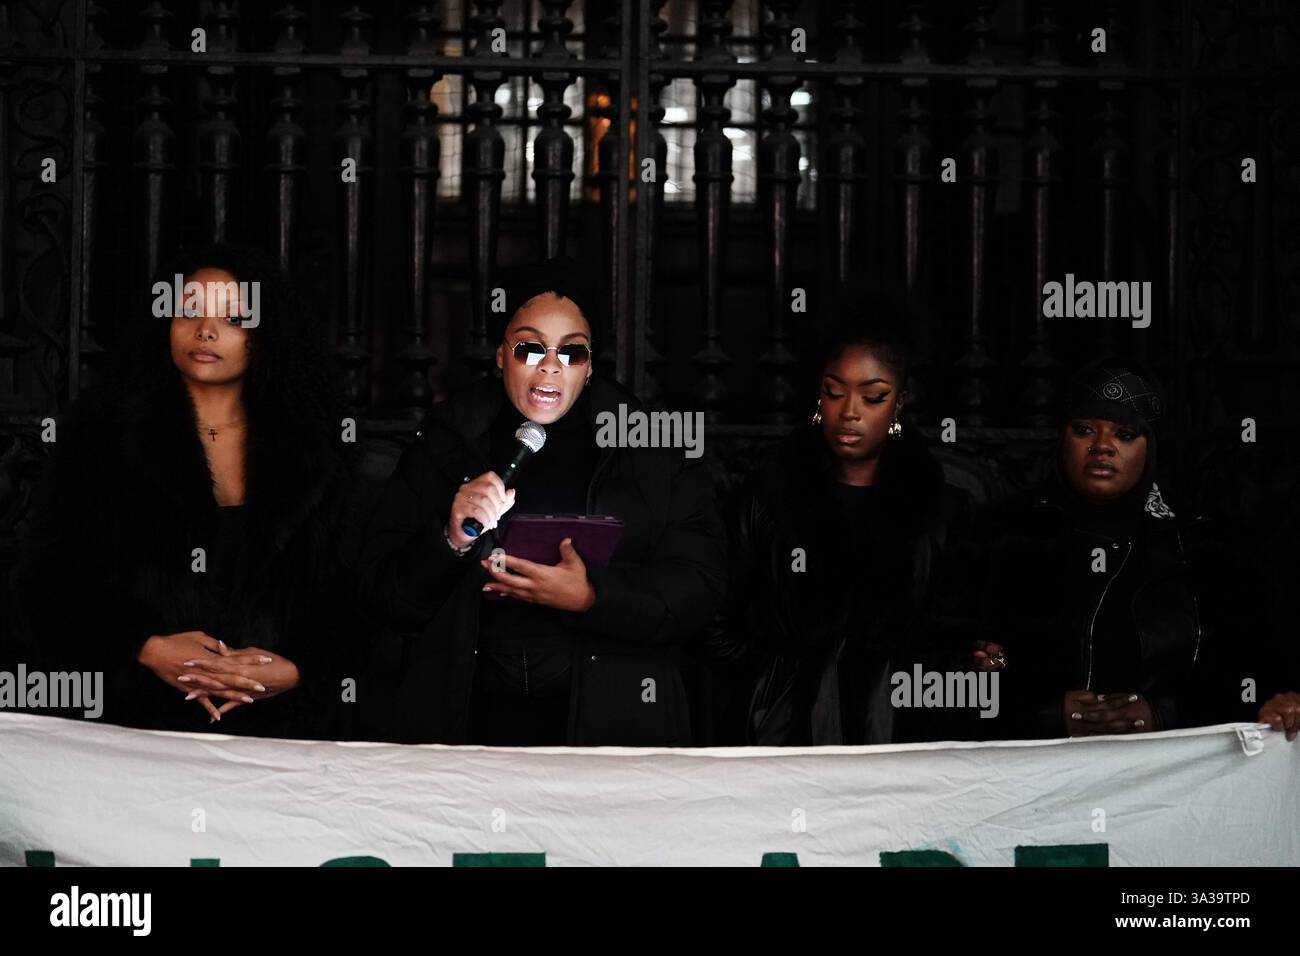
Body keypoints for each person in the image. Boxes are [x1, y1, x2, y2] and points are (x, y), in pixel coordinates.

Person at [355, 256, 726, 746]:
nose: (550, 365)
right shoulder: (447, 442)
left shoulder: (651, 448)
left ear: (590, 366)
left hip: (609, 732)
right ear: (500, 355)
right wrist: (449, 540)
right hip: (469, 730)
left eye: (571, 353)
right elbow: (382, 597)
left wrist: (592, 597)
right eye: (530, 347)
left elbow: (700, 587)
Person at [7, 243, 359, 738]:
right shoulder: (103, 435)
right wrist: (146, 648)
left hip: (277, 732)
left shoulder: (315, 445)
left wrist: (298, 669)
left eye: (234, 319)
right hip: (133, 723)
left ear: (266, 335)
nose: (206, 330)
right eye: (188, 311)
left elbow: (347, 599)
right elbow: (44, 586)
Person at [929, 358, 1284, 739]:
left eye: (1125, 435)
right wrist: (1042, 712)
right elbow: (939, 675)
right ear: (1062, 437)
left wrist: (1165, 713)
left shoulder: (1202, 544)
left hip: (1168, 774)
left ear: (1151, 447)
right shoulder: (996, 534)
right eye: (1084, 430)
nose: (1102, 447)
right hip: (1031, 775)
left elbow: (1254, 675)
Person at [706, 310, 966, 745]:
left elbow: (952, 634)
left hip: (898, 735)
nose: (849, 413)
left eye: (873, 397)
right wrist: (776, 679)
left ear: (900, 402)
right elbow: (718, 617)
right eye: (833, 392)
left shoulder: (936, 508)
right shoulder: (769, 495)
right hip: (780, 732)